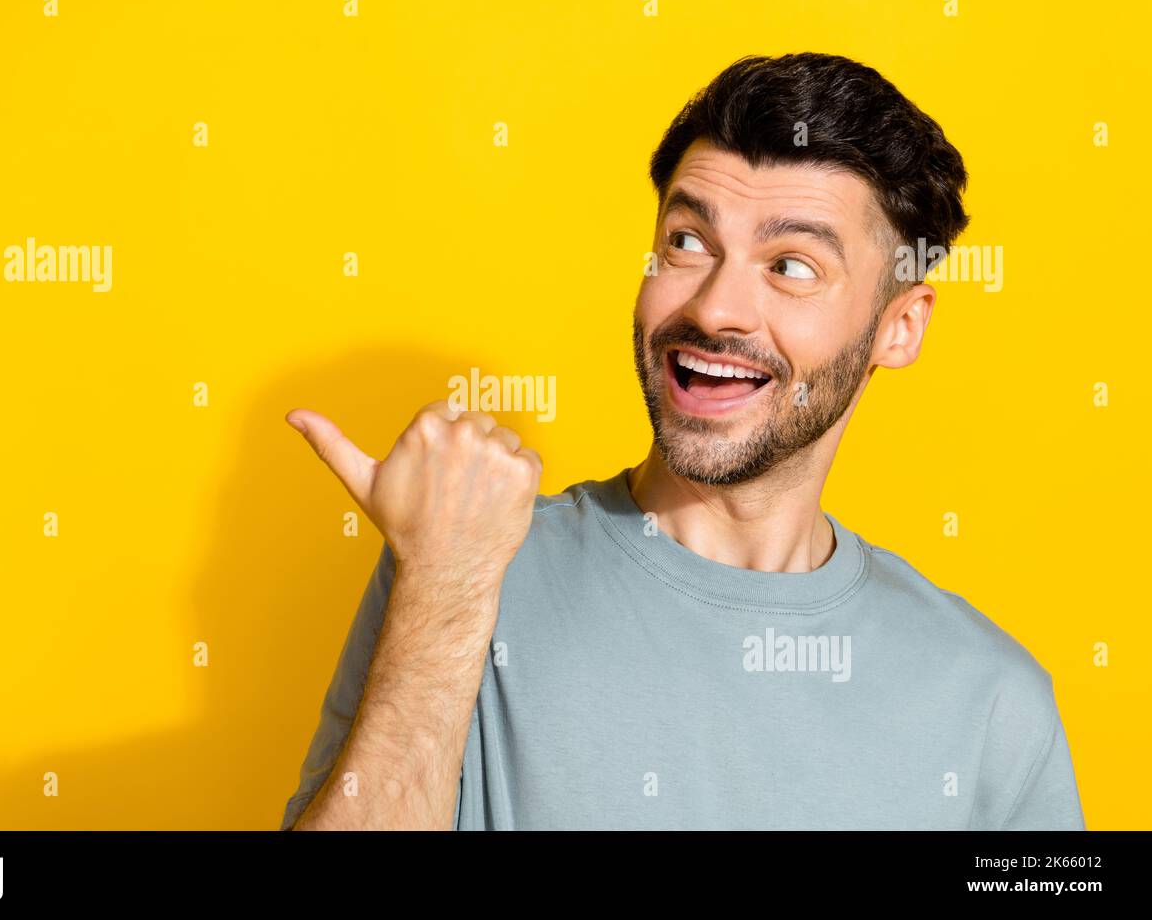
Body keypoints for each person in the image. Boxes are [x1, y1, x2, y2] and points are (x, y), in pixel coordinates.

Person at [280, 52, 1085, 830]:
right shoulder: (466, 567)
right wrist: (443, 586)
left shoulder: (991, 703)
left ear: (900, 327)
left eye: (792, 265)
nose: (715, 309)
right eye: (689, 242)